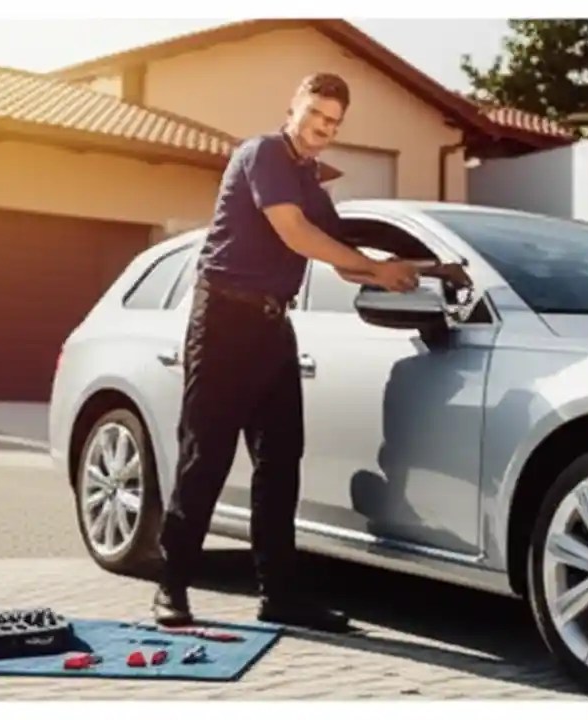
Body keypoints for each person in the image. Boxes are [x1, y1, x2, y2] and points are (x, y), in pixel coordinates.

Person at [152, 72, 471, 632]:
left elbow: (345, 253)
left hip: (274, 326)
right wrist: (376, 267)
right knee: (206, 455)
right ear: (293, 106)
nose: (322, 130)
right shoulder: (265, 155)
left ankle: (280, 594)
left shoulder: (310, 182)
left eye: (333, 124)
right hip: (224, 318)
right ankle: (171, 586)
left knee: (280, 461)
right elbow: (295, 233)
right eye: (315, 116)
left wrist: (424, 269)